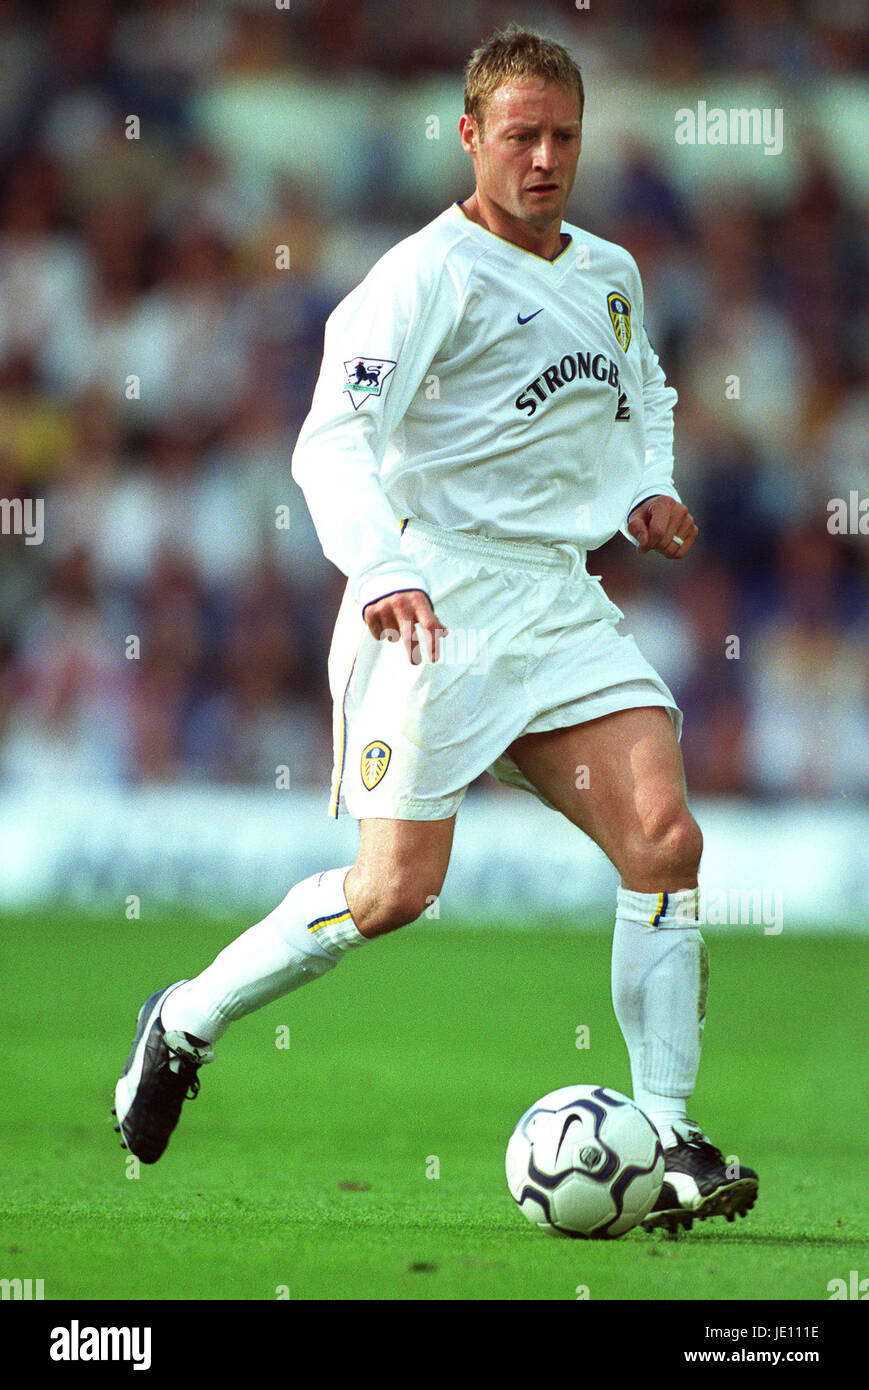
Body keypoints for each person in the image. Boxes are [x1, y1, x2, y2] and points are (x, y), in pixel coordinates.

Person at [114, 24, 757, 1236]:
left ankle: (668, 1137)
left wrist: (641, 490)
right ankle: (185, 1017)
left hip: (557, 602)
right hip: (435, 605)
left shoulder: (609, 272)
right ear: (469, 136)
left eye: (563, 134)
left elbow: (646, 397)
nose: (545, 156)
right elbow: (330, 439)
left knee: (664, 839)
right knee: (393, 891)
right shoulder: (420, 277)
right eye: (520, 134)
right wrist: (383, 567)